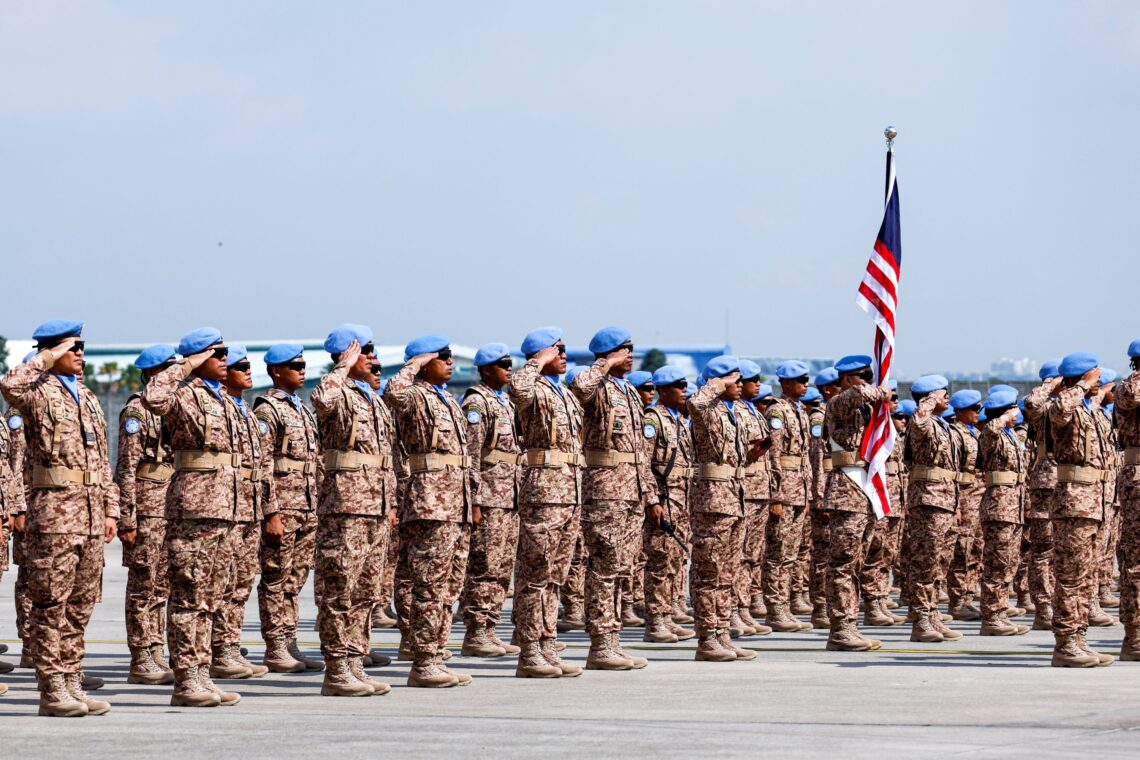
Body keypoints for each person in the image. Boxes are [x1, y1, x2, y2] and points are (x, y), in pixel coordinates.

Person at [0, 320, 117, 717]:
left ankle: (72, 682)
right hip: (54, 517)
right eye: (73, 347)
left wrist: (110, 509)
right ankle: (52, 691)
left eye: (82, 346)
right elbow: (9, 384)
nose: (80, 353)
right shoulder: (37, 391)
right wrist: (45, 358)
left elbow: (102, 462)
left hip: (89, 515)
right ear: (52, 351)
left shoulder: (88, 397)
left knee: (80, 606)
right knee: (51, 605)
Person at [143, 327, 243, 707]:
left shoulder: (225, 399)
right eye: (217, 353)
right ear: (199, 357)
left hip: (225, 509)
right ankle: (186, 680)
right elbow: (153, 397)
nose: (225, 359)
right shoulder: (183, 394)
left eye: (225, 352)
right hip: (194, 510)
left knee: (211, 599)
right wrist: (185, 365)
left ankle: (202, 674)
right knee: (189, 596)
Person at [385, 334, 475, 687]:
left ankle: (436, 655)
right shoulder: (415, 395)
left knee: (449, 586)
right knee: (429, 585)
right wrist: (413, 365)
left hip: (456, 503)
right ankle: (423, 661)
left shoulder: (447, 399)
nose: (450, 362)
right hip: (430, 503)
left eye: (451, 356)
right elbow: (393, 393)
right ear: (424, 363)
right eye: (442, 357)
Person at [311, 326, 396, 695]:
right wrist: (342, 367)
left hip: (375, 506)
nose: (372, 358)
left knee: (366, 591)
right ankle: (336, 669)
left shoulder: (372, 399)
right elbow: (322, 400)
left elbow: (385, 457)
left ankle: (356, 661)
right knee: (339, 589)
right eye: (365, 351)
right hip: (345, 506)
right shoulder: (337, 390)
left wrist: (390, 503)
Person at [570, 327, 656, 670]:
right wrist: (604, 364)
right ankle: (601, 644)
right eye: (624, 349)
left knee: (622, 569)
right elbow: (579, 388)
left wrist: (649, 493)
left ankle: (613, 641)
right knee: (604, 567)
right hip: (605, 491)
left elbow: (639, 452)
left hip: (631, 491)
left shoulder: (629, 392)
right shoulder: (597, 385)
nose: (630, 354)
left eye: (632, 349)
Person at [508, 327, 585, 678]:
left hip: (569, 492)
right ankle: (529, 652)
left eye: (564, 349)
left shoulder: (563, 393)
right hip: (544, 493)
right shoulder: (533, 387)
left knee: (556, 576)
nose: (563, 355)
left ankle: (547, 644)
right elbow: (517, 389)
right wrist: (538, 361)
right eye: (558, 350)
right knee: (534, 574)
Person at [254, 343, 324, 673]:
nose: (302, 369)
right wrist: (271, 513)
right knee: (276, 578)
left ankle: (290, 640)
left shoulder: (302, 409)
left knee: (295, 580)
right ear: (276, 371)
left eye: (303, 364)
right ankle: (275, 646)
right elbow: (263, 465)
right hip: (283, 506)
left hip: (306, 505)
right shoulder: (268, 410)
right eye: (295, 365)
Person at [686, 356, 758, 662]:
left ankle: (723, 634)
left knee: (728, 574)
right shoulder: (707, 409)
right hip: (712, 501)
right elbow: (694, 402)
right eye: (735, 380)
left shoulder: (734, 413)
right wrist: (717, 384)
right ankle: (707, 639)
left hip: (734, 499)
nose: (740, 385)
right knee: (709, 571)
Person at [116, 343, 178, 685]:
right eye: (169, 368)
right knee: (143, 584)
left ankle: (156, 649)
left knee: (163, 584)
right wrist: (127, 517)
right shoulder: (137, 411)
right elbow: (126, 468)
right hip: (147, 507)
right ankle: (140, 655)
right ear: (154, 372)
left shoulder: (172, 406)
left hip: (170, 505)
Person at [1047, 352, 1114, 667]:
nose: (1098, 381)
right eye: (1094, 375)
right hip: (1074, 502)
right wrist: (1081, 385)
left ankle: (1079, 638)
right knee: (1071, 576)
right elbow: (1058, 409)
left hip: (1094, 502)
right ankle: (1065, 644)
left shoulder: (1091, 410)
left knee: (1086, 576)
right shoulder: (1065, 405)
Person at [821, 355, 890, 651]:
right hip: (846, 489)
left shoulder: (866, 409)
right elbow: (857, 394)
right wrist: (878, 389)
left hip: (865, 488)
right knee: (842, 562)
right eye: (864, 376)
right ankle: (840, 628)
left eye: (870, 375)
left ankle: (850, 624)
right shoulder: (839, 403)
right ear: (847, 379)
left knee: (857, 562)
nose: (869, 381)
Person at [459, 343, 523, 658]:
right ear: (486, 370)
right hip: (489, 496)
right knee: (484, 565)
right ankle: (475, 632)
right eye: (503, 364)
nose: (509, 369)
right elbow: (471, 455)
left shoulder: (505, 401)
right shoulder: (477, 402)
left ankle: (490, 629)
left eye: (510, 364)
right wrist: (474, 499)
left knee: (501, 568)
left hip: (509, 495)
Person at [211, 346, 270, 680]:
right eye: (240, 366)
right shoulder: (219, 407)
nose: (248, 371)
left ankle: (230, 646)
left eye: (248, 365)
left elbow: (261, 465)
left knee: (242, 581)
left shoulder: (244, 410)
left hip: (249, 506)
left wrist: (267, 509)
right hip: (225, 506)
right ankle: (219, 650)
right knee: (221, 582)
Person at [902, 374, 963, 645]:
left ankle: (933, 614)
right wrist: (927, 402)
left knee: (940, 563)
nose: (947, 396)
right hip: (928, 500)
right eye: (941, 392)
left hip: (946, 500)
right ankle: (921, 621)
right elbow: (918, 422)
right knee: (925, 563)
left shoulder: (942, 425)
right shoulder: (922, 421)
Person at [642, 365, 697, 643]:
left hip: (681, 499)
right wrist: (652, 500)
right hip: (663, 499)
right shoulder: (653, 419)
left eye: (685, 385)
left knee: (675, 559)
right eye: (679, 386)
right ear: (663, 390)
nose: (684, 390)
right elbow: (644, 463)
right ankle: (655, 621)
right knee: (659, 561)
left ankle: (667, 615)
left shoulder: (679, 421)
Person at [764, 360, 813, 632]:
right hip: (784, 491)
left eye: (806, 380)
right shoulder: (777, 411)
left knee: (791, 553)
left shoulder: (800, 412)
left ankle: (784, 607)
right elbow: (773, 454)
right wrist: (776, 495)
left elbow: (804, 456)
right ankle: (775, 609)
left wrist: (807, 494)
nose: (805, 385)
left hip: (798, 490)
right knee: (778, 553)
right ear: (785, 383)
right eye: (800, 380)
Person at [977, 389, 1030, 636]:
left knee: (1008, 563)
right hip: (999, 508)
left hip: (1013, 506)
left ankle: (1000, 612)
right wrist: (1004, 416)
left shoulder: (1010, 436)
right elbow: (989, 429)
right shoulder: (992, 434)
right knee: (996, 564)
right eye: (1013, 410)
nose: (1017, 414)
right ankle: (991, 618)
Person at [731, 363, 775, 637]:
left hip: (760, 491)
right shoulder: (735, 412)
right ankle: (734, 610)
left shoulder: (753, 412)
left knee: (752, 555)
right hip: (745, 491)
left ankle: (743, 608)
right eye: (751, 379)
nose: (756, 383)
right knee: (737, 555)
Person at [1023, 359, 1062, 630]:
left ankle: (1059, 604)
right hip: (1046, 483)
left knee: (1063, 549)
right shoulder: (1043, 407)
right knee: (1043, 548)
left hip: (1070, 486)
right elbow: (1033, 403)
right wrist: (1050, 384)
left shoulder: (1069, 405)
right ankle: (1044, 607)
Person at [948, 389, 985, 622]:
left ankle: (968, 597)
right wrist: (957, 505)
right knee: (961, 551)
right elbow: (952, 471)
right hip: (964, 497)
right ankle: (956, 602)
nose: (978, 413)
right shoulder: (955, 434)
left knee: (976, 550)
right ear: (960, 411)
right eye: (974, 409)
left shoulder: (975, 433)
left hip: (978, 497)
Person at [1116, 339, 1140, 660]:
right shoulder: (1129, 388)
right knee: (1136, 560)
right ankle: (1135, 636)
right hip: (1138, 477)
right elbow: (1131, 395)